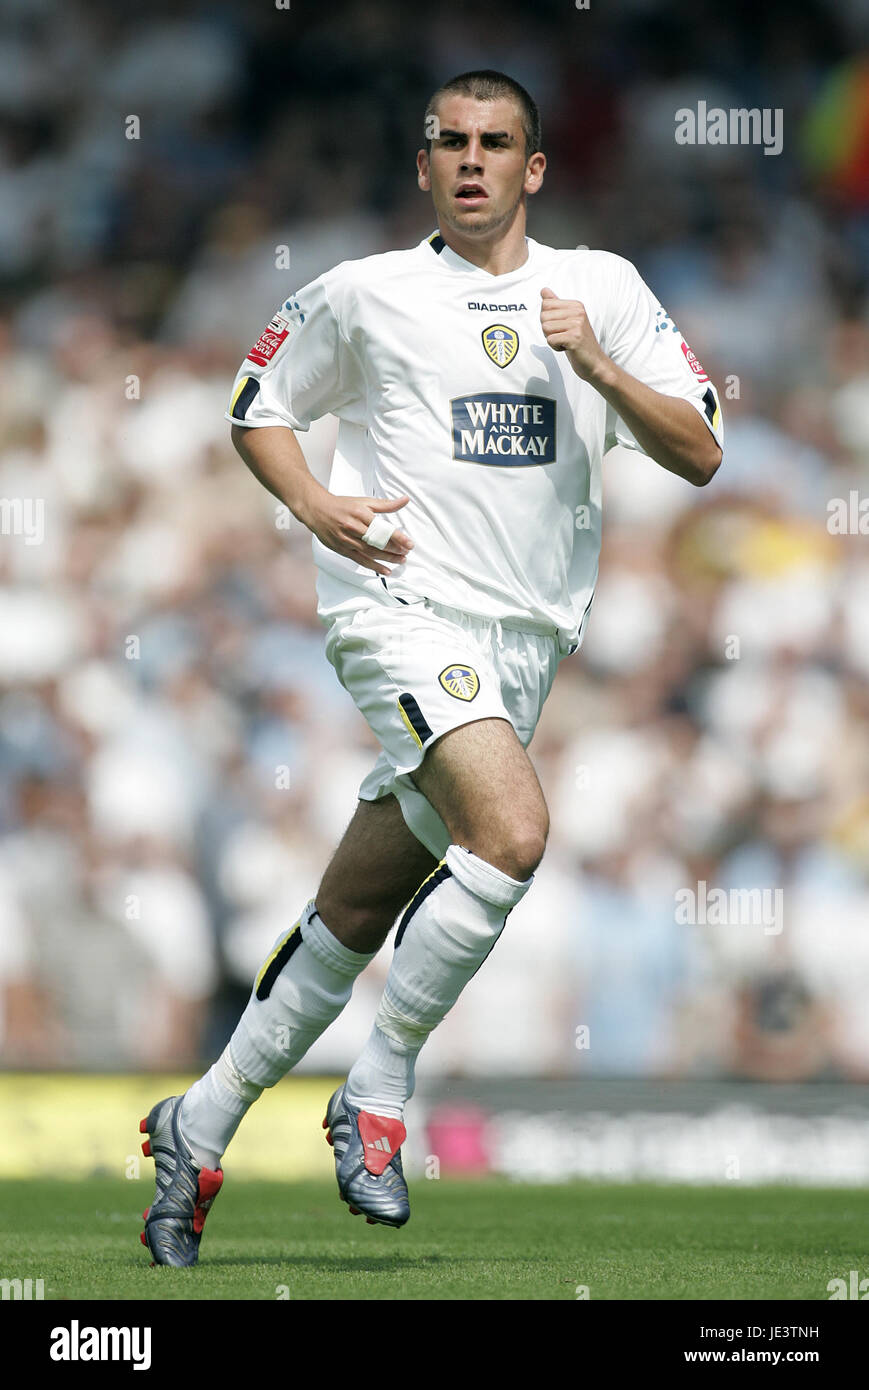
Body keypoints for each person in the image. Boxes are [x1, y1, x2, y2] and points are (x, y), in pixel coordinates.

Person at [138, 69, 723, 1266]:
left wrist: (602, 371)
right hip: (397, 609)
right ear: (422, 167)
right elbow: (258, 400)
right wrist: (317, 505)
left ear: (534, 168)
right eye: (447, 142)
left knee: (352, 910)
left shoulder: (599, 288)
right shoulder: (366, 293)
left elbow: (702, 449)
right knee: (509, 832)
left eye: (493, 142)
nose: (469, 160)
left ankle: (195, 1125)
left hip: (523, 648)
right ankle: (376, 1087)